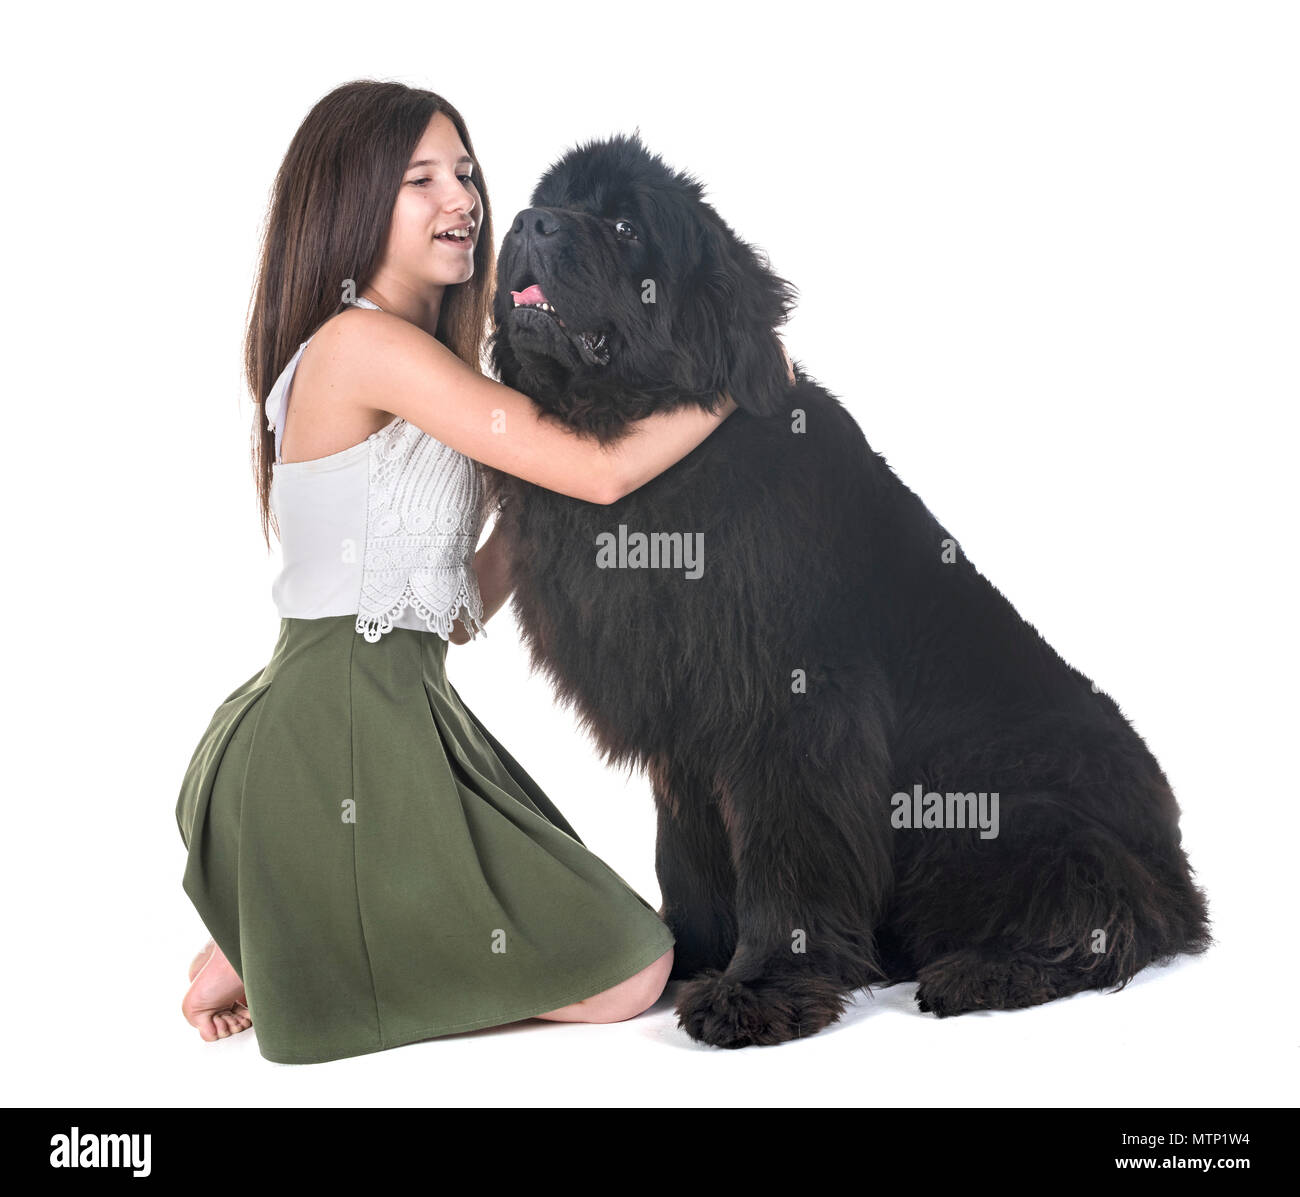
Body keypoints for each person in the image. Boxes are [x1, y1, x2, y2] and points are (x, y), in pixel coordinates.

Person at [175, 81, 787, 1065]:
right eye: (419, 180)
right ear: (350, 204)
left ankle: (288, 919)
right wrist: (745, 380)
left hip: (399, 711)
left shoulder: (420, 358)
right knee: (631, 977)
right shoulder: (362, 344)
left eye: (464, 172)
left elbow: (456, 602)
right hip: (333, 726)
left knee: (636, 951)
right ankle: (294, 944)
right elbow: (596, 467)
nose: (460, 199)